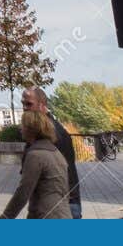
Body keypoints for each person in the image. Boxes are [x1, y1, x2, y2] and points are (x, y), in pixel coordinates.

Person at [0, 110, 71, 219]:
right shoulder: (56, 152)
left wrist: (4, 218)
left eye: (23, 125)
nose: (20, 129)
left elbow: (23, 193)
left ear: (31, 129)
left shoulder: (36, 155)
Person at [22, 87, 81, 218]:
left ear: (42, 105)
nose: (25, 108)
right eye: (23, 104)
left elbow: (25, 189)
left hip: (60, 205)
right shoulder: (43, 131)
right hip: (62, 203)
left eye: (29, 104)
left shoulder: (50, 133)